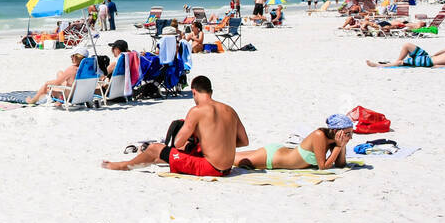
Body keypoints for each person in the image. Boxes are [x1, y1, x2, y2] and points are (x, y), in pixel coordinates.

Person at [102, 75, 248, 176]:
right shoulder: (230, 110)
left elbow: (178, 143)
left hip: (210, 168)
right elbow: (244, 141)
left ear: (194, 92)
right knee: (164, 155)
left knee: (154, 148)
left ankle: (123, 165)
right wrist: (219, 143)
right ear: (211, 92)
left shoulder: (197, 111)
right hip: (227, 169)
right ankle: (143, 160)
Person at [234, 114, 353, 170]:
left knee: (232, 155)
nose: (350, 137)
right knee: (229, 158)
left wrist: (341, 146)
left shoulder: (333, 141)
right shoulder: (319, 135)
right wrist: (338, 147)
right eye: (348, 134)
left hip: (280, 152)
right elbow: (323, 167)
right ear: (336, 131)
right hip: (271, 158)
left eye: (351, 134)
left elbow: (340, 164)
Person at [367, 36, 445, 68]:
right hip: (427, 57)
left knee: (400, 63)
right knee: (407, 45)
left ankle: (376, 65)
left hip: (427, 62)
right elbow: (437, 54)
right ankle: (395, 62)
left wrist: (436, 66)